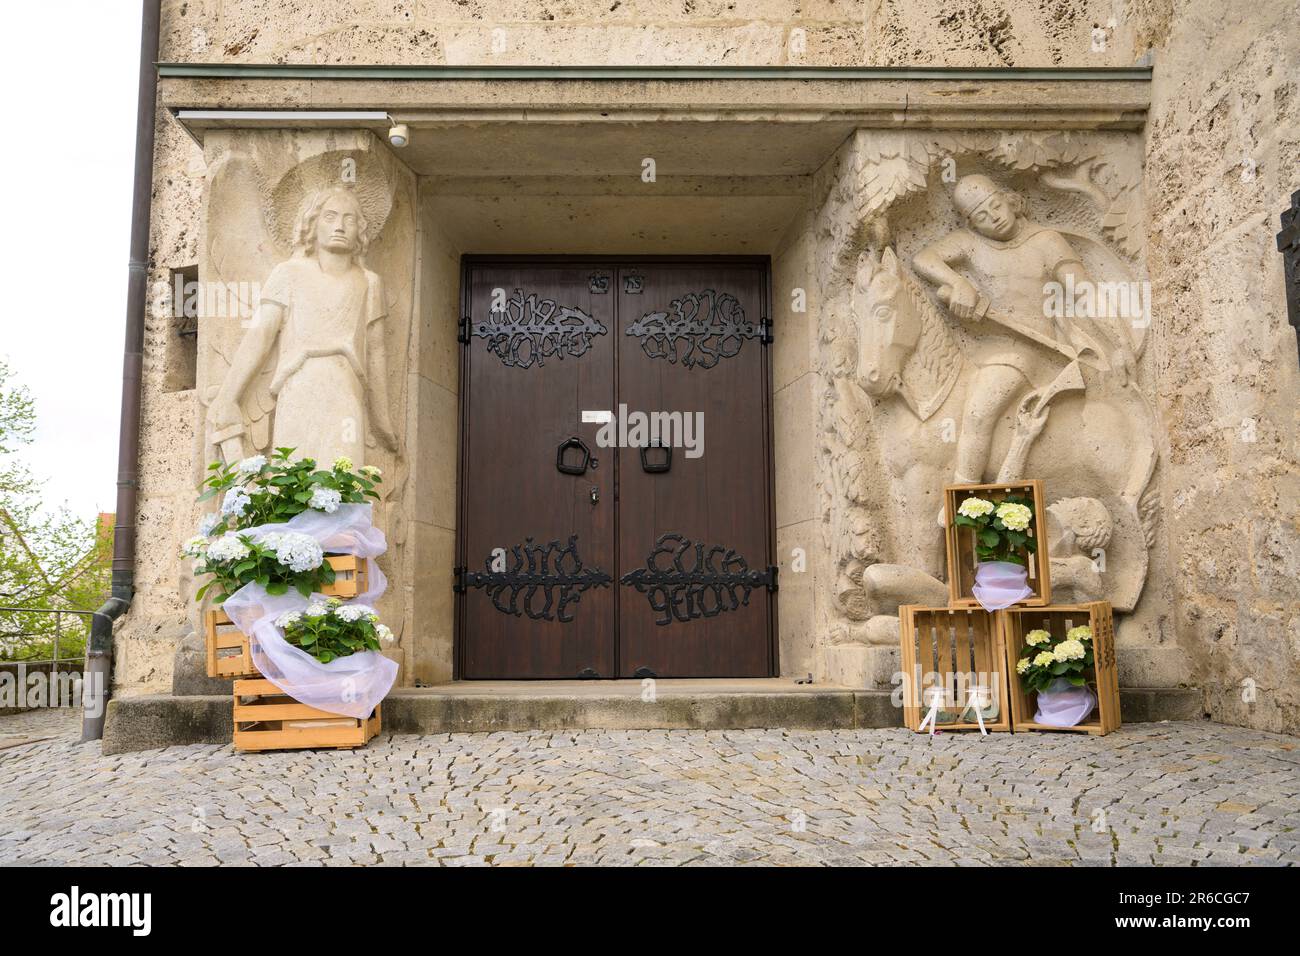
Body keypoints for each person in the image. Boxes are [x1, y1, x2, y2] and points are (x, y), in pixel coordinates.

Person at [207, 186, 399, 466]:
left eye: (349, 219)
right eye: (330, 217)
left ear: (360, 228)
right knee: (294, 478)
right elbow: (260, 334)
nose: (340, 226)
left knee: (344, 484)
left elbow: (376, 352)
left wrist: (382, 421)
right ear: (312, 223)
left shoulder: (369, 282)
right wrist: (228, 396)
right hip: (298, 386)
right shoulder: (288, 274)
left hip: (345, 390)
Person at [914, 174, 1136, 384]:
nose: (994, 217)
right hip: (992, 344)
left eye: (996, 206)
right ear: (972, 225)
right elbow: (924, 258)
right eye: (982, 216)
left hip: (1041, 348)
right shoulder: (968, 242)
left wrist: (1120, 345)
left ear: (1009, 201)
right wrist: (957, 282)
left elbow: (1086, 293)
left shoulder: (1046, 242)